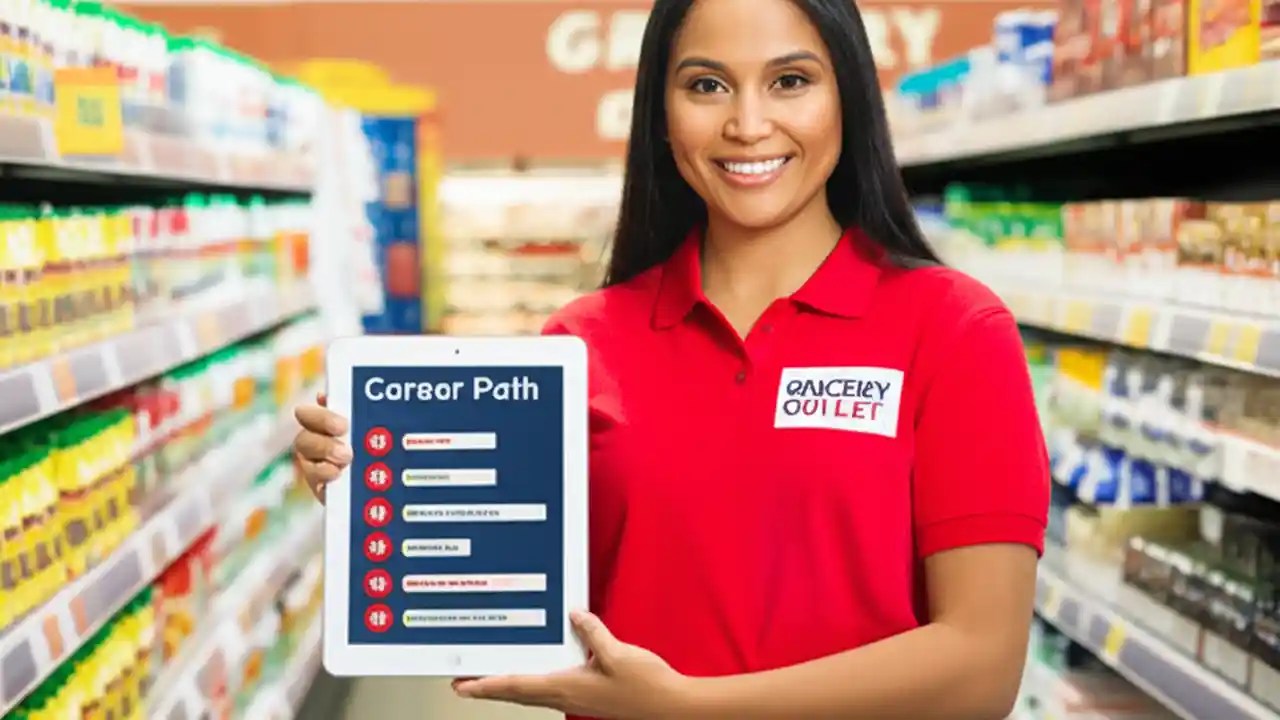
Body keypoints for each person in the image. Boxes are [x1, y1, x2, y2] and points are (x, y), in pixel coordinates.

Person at [293, 0, 1050, 717]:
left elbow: (981, 666)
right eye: (706, 86)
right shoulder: (582, 344)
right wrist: (388, 485)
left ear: (847, 97)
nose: (747, 124)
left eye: (790, 81)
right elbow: (521, 589)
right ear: (660, 114)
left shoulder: (953, 330)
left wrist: (688, 708)